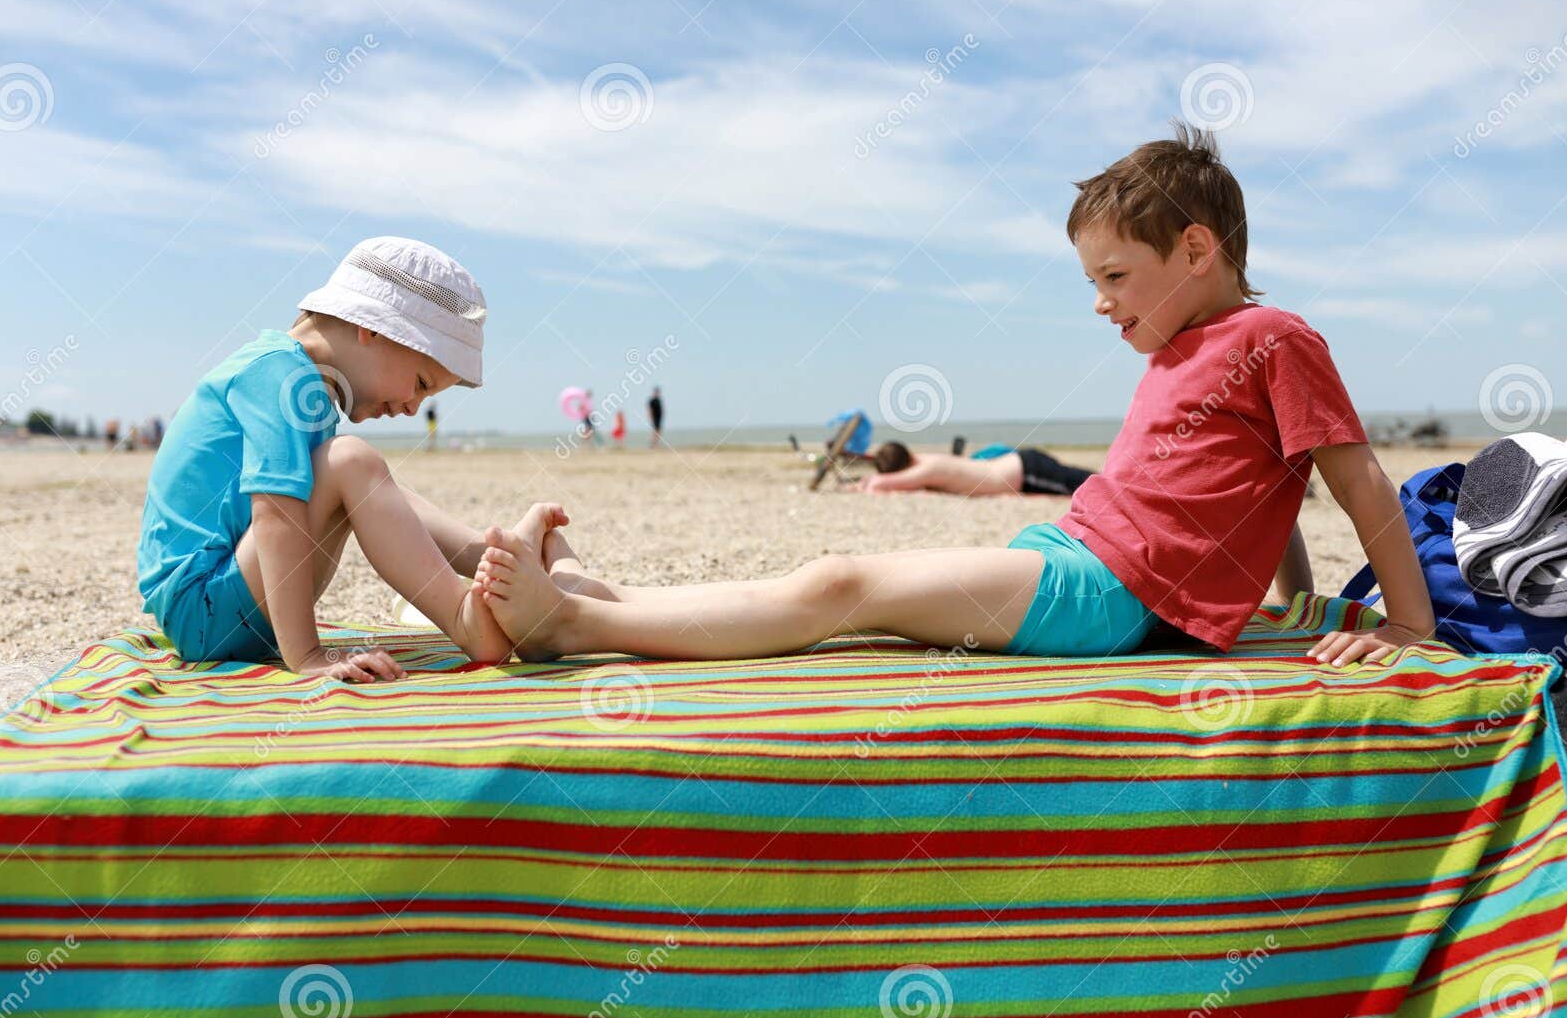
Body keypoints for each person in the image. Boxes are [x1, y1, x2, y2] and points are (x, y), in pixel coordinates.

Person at [473, 123, 1434, 669]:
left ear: (1194, 250)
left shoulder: (1273, 337)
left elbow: (1355, 480)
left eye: (1114, 277)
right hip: (1070, 552)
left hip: (1106, 593)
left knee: (844, 584)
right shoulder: (1186, 347)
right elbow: (1262, 487)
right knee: (841, 580)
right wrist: (1293, 604)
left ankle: (575, 625)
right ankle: (620, 596)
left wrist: (1406, 625)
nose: (1101, 304)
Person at [136, 235, 541, 681]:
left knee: (368, 480)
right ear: (373, 329)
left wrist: (498, 556)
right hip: (203, 609)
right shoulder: (277, 374)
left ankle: (487, 554)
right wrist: (307, 656)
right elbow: (273, 515)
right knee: (351, 463)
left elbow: (373, 504)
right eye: (422, 383)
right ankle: (467, 621)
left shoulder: (306, 389)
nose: (411, 406)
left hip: (234, 605)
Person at [862, 440, 1093, 496]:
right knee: (1088, 482)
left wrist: (861, 485)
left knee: (1088, 486)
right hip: (1022, 467)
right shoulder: (925, 461)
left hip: (1027, 472)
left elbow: (882, 484)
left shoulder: (928, 468)